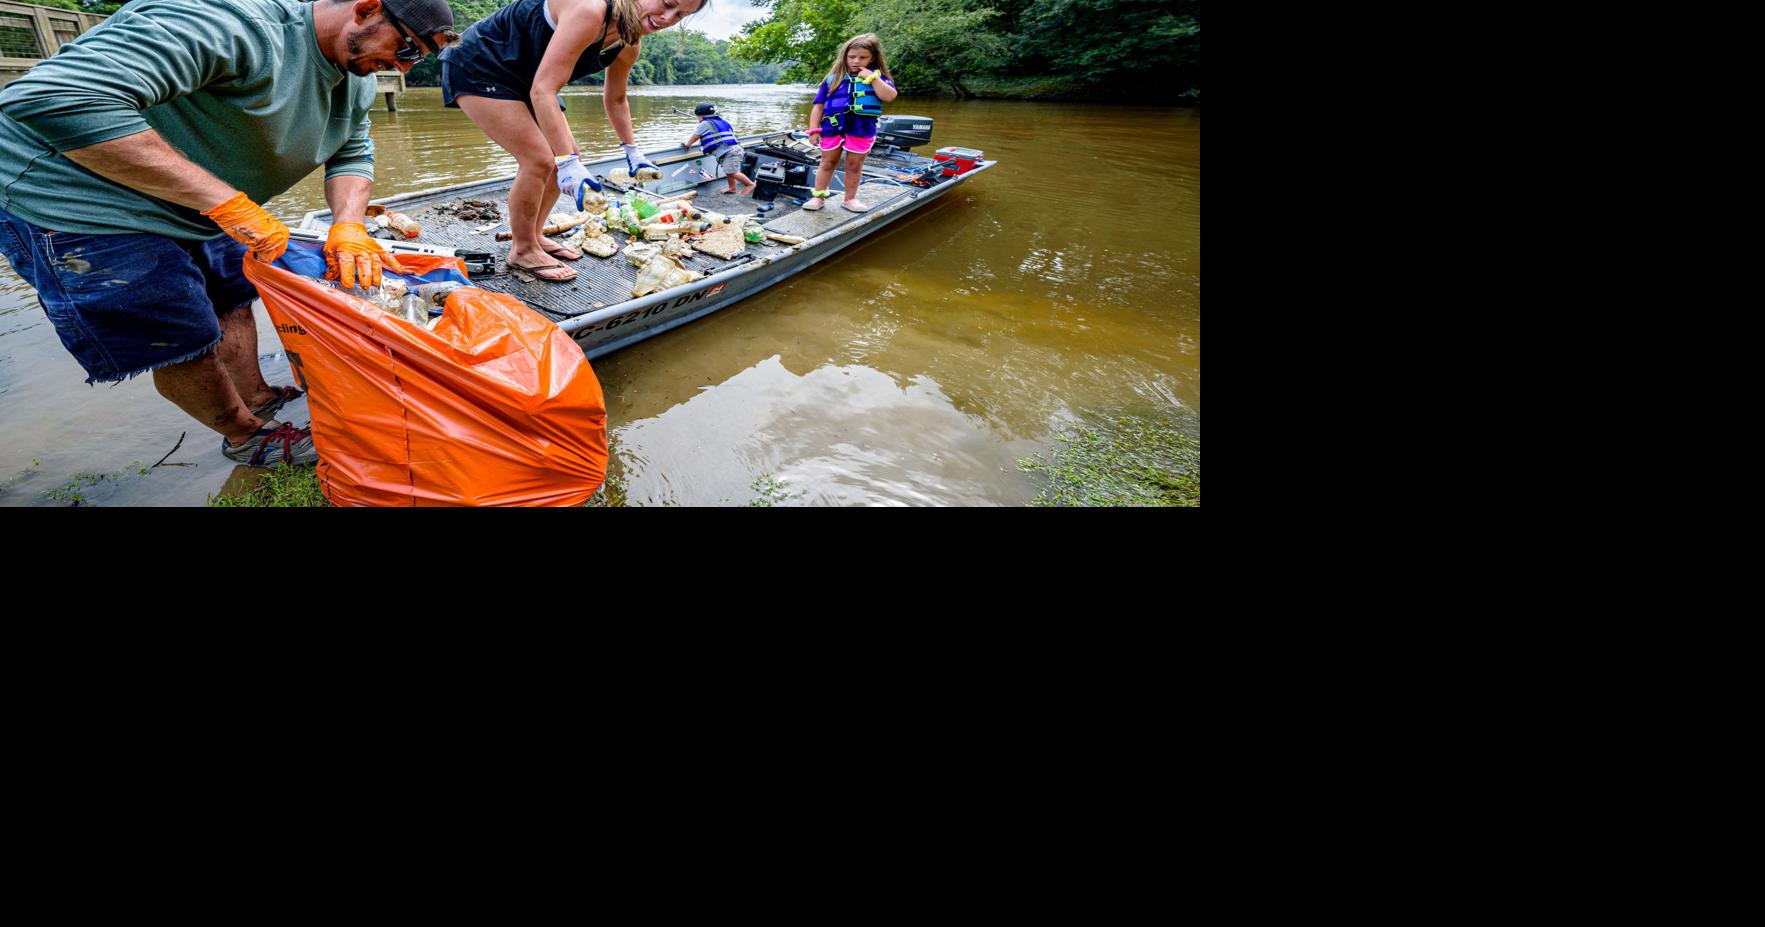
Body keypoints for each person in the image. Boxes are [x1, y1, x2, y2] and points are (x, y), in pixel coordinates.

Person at [0, 0, 456, 469]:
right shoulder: (227, 22)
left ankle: (257, 397)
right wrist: (227, 204)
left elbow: (352, 150)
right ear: (365, 9)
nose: (403, 67)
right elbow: (52, 98)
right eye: (406, 48)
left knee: (234, 294)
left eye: (417, 58)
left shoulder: (355, 74)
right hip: (84, 199)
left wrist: (349, 223)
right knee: (180, 336)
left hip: (202, 197)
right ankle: (244, 436)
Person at [440, 0, 706, 283]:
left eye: (680, 15)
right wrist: (566, 160)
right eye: (667, 3)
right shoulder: (589, 9)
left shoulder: (628, 43)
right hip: (480, 64)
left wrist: (632, 151)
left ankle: (534, 236)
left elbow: (616, 100)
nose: (667, 18)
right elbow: (544, 90)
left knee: (566, 156)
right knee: (540, 159)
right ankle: (523, 249)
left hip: (529, 78)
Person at [803, 34, 898, 213]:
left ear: (872, 58)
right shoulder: (832, 79)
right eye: (852, 57)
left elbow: (890, 96)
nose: (856, 61)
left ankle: (850, 199)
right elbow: (818, 106)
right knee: (827, 163)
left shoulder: (878, 78)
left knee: (854, 165)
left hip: (862, 128)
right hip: (832, 128)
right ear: (845, 56)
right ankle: (818, 197)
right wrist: (814, 130)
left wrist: (873, 78)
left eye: (863, 57)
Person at [683, 102, 756, 196]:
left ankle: (750, 184)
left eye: (698, 116)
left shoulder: (705, 123)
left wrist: (688, 145)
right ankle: (732, 188)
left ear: (701, 116)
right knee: (728, 171)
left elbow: (695, 136)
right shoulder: (721, 121)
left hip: (730, 152)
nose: (697, 118)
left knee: (732, 172)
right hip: (732, 150)